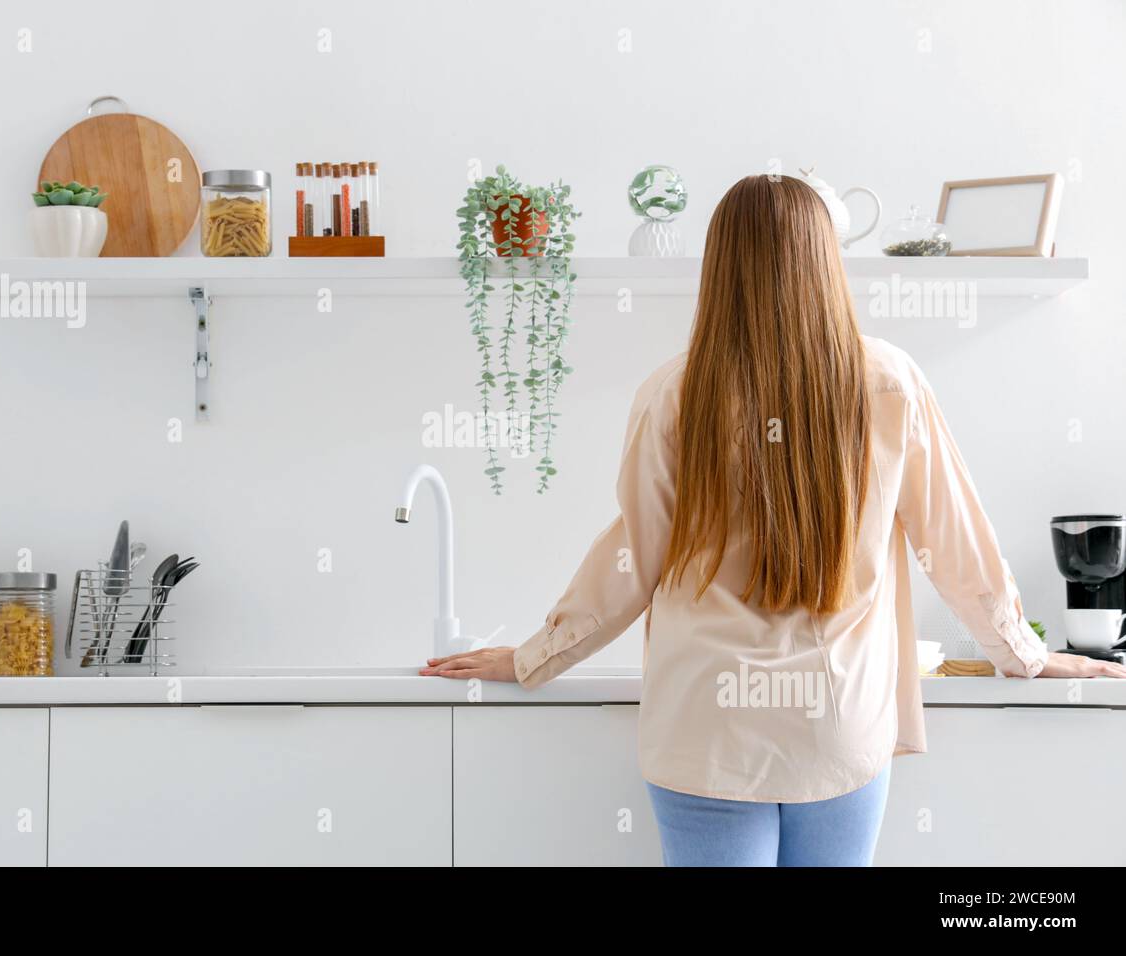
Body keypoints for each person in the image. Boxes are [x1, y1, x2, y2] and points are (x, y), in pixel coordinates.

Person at [420, 174, 1126, 867]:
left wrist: (535, 655)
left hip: (707, 729)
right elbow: (955, 541)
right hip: (838, 723)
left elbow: (631, 559)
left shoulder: (674, 393)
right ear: (825, 259)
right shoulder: (888, 380)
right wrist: (1023, 655)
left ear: (720, 264)